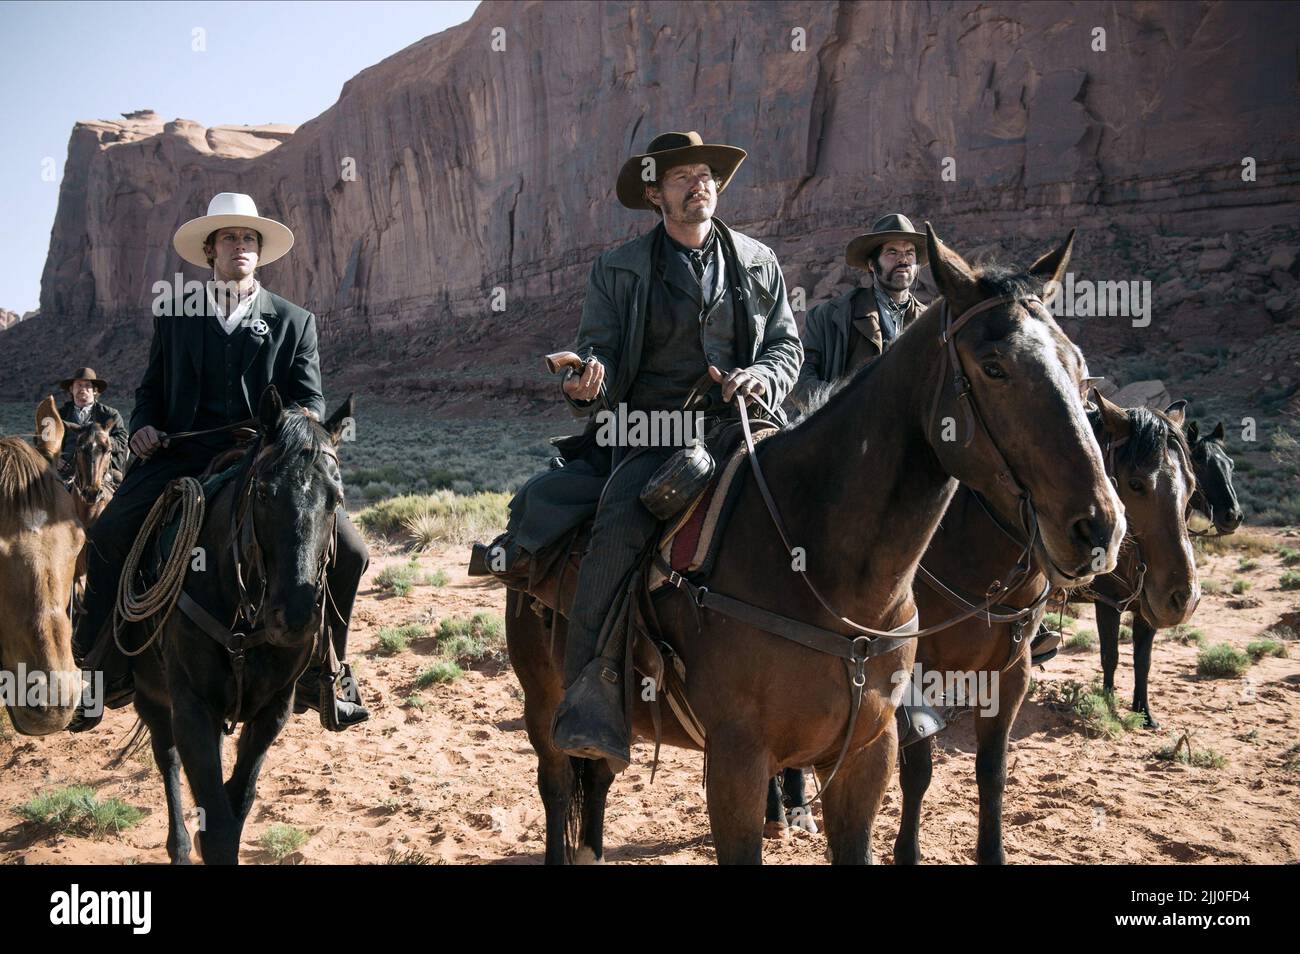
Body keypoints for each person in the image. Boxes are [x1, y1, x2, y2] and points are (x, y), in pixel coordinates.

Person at [68, 192, 370, 732]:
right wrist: (142, 428)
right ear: (210, 251)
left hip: (268, 457)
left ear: (260, 252)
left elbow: (313, 401)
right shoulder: (175, 313)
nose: (241, 246)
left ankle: (330, 673)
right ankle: (97, 672)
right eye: (229, 238)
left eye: (249, 239)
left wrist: (287, 428)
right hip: (180, 454)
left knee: (350, 550)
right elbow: (151, 389)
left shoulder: (294, 321)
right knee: (109, 532)